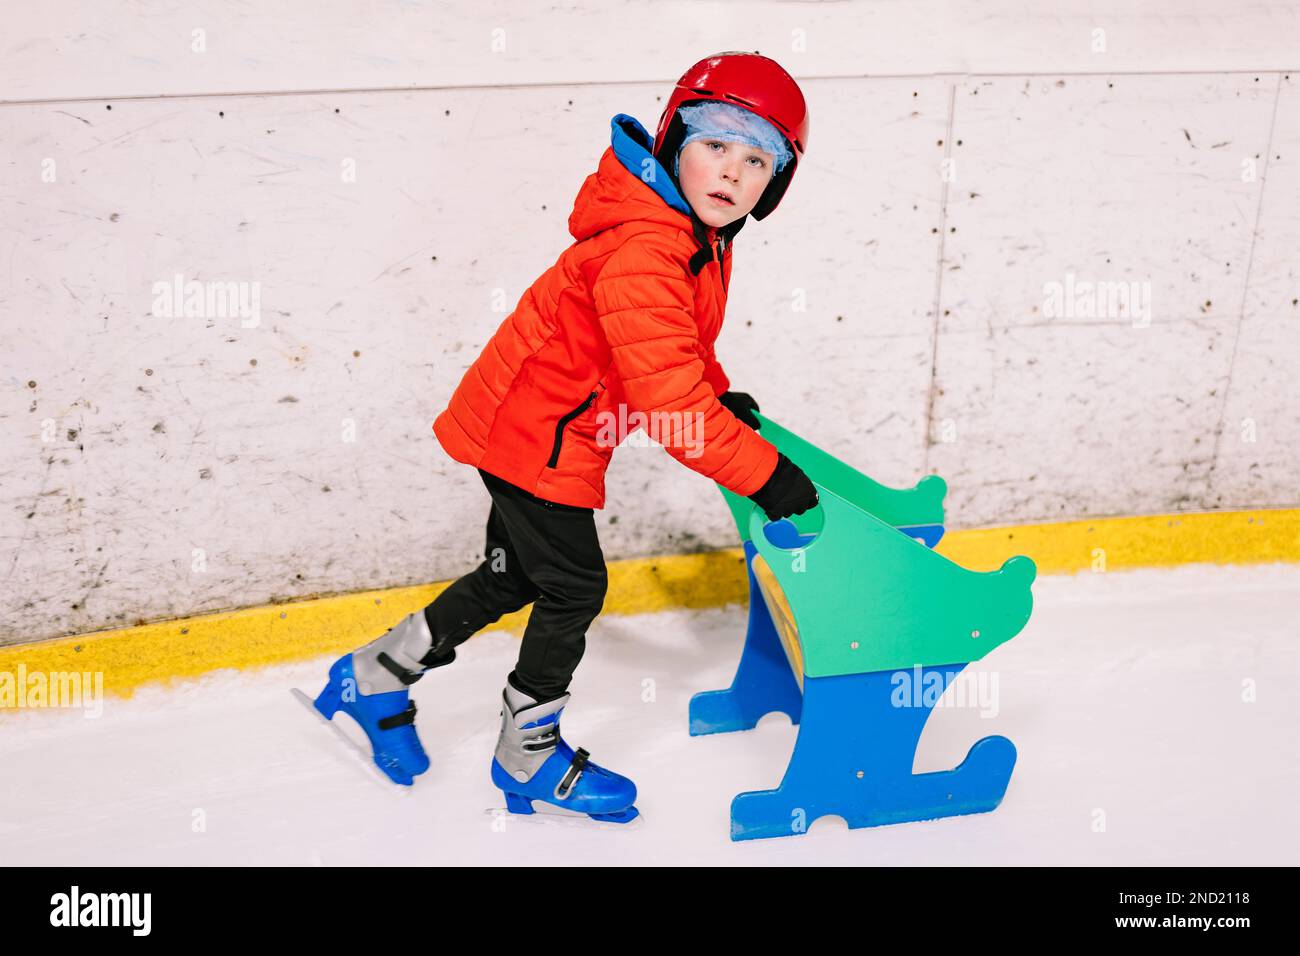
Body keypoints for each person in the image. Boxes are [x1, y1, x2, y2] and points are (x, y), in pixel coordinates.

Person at [311, 51, 818, 823]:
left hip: (530, 419)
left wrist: (719, 395)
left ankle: (374, 675)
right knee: (575, 587)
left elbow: (674, 353)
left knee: (512, 575)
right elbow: (670, 403)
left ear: (772, 185)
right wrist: (767, 476)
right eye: (716, 143)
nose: (732, 172)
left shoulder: (693, 235)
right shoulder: (648, 247)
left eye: (757, 160)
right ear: (677, 137)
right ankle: (529, 754)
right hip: (538, 434)